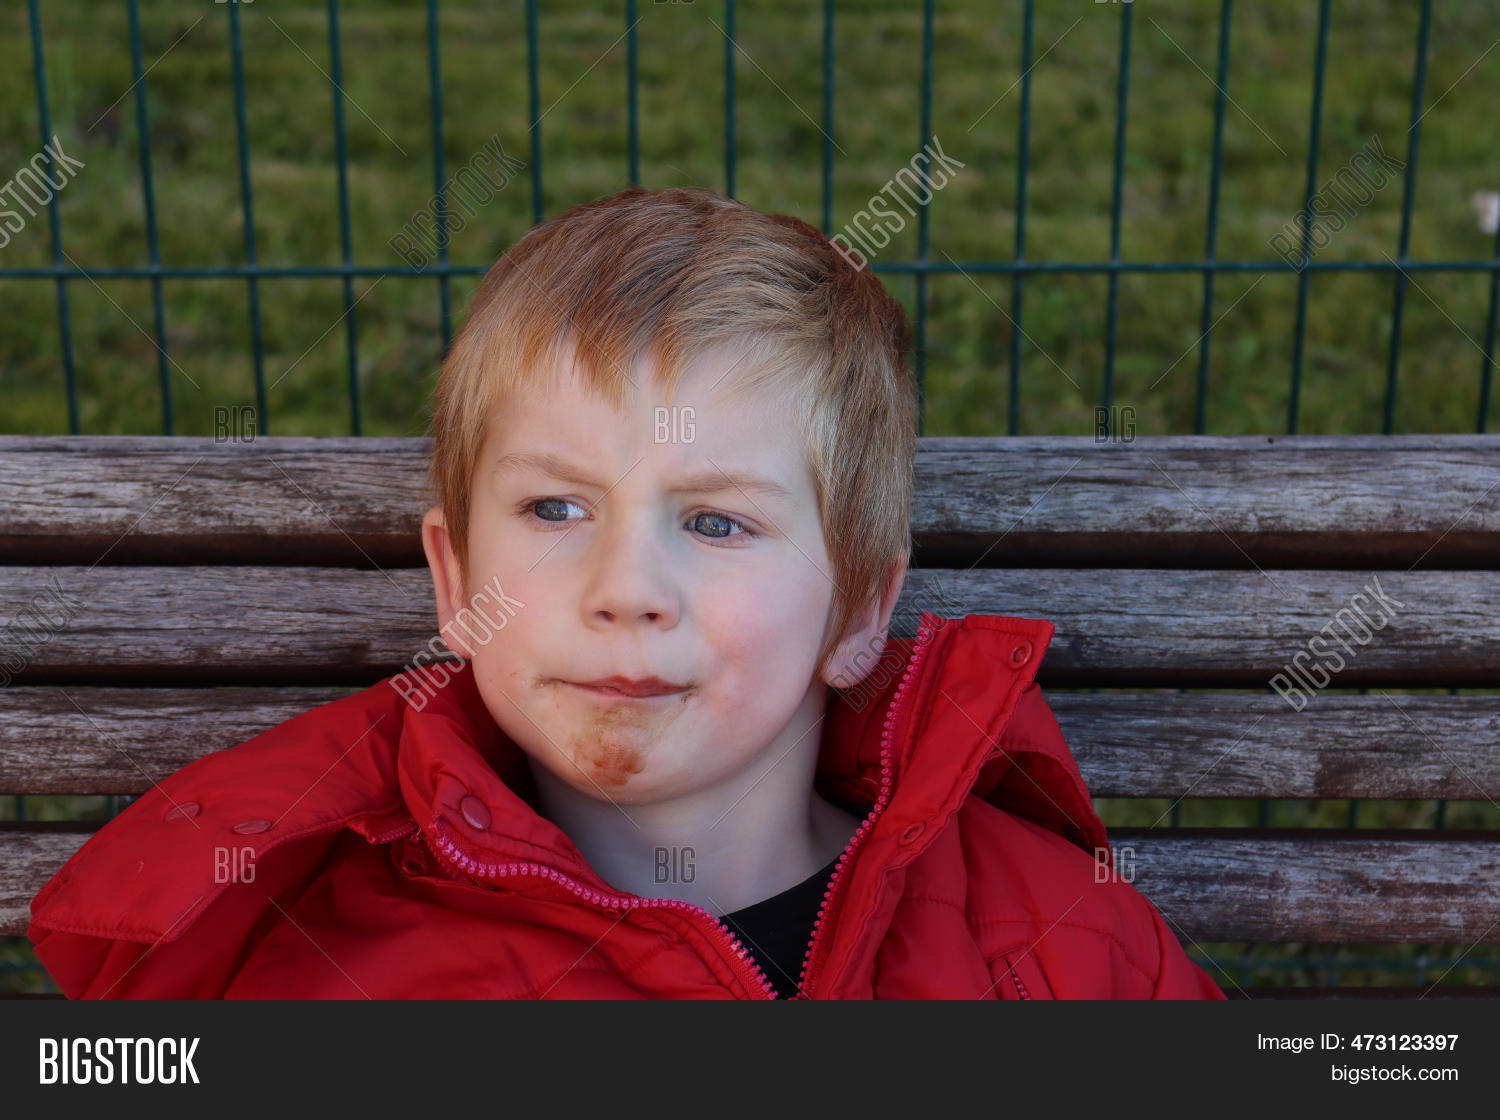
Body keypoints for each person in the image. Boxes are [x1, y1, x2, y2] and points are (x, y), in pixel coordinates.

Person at [28, 186, 1224, 999]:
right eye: (557, 510)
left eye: (714, 520)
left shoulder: (1054, 944)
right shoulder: (326, 959)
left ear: (860, 609)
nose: (625, 589)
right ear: (456, 579)